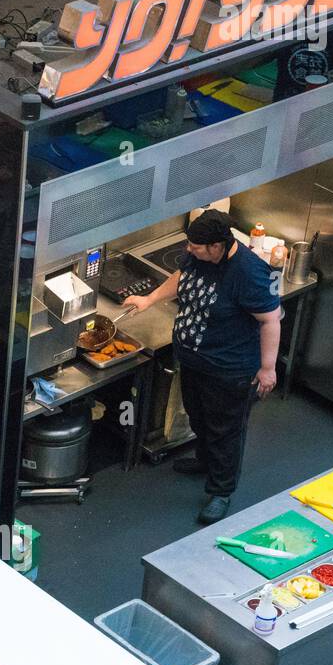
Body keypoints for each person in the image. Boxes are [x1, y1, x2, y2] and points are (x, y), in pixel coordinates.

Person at [122, 209, 282, 524]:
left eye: (196, 247)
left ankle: (221, 490)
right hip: (195, 360)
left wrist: (267, 368)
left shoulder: (249, 274)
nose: (189, 250)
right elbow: (182, 276)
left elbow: (270, 320)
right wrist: (149, 299)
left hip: (229, 368)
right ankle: (205, 461)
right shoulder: (200, 257)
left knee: (225, 430)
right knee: (198, 415)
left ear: (218, 246)